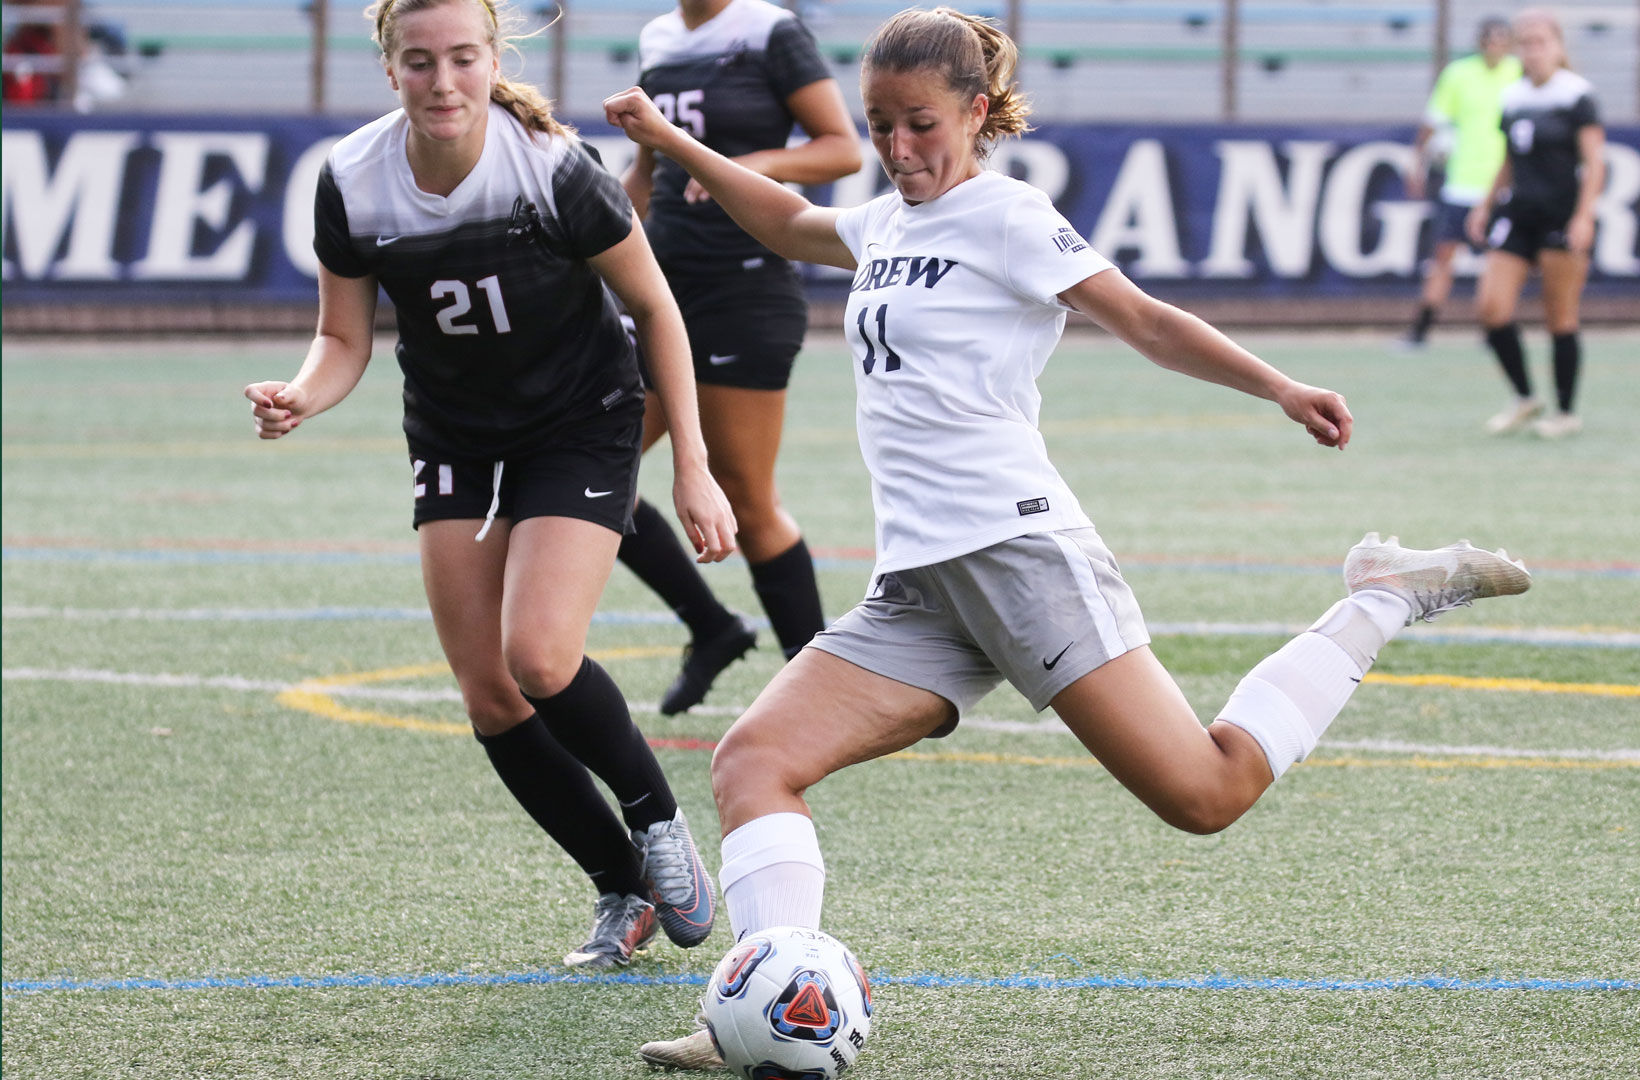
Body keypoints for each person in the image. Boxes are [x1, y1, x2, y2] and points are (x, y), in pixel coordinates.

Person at [604, 8, 1532, 1067]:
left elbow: (1143, 319)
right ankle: (762, 1004)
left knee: (1206, 793)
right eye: (880, 125)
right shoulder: (885, 224)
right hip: (919, 584)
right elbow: (786, 220)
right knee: (754, 762)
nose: (898, 148)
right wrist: (672, 144)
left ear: (978, 113)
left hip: (1017, 555)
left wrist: (1278, 386)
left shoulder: (1006, 214)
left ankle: (1381, 595)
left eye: (920, 124)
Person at [243, 0, 733, 970]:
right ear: (389, 67)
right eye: (420, 62)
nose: (443, 82)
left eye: (463, 59)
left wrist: (692, 464)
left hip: (580, 422)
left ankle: (657, 821)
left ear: (493, 58)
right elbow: (342, 337)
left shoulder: (550, 168)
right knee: (491, 697)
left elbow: (655, 306)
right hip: (457, 438)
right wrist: (302, 394)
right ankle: (621, 888)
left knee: (539, 657)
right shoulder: (352, 178)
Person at [614, 0, 863, 715]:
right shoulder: (658, 37)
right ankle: (713, 626)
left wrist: (752, 164)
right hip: (661, 291)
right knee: (591, 474)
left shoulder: (770, 30)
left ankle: (825, 695)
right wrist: (587, 237)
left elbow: (842, 149)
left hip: (744, 289)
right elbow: (648, 169)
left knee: (747, 501)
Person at [1467, 8, 1605, 438]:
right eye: (1524, 44)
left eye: (1540, 42)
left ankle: (1565, 412)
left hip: (1560, 214)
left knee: (1559, 316)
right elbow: (1509, 160)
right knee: (1491, 308)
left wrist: (1584, 215)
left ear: (1558, 46)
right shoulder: (1513, 96)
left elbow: (1594, 163)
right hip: (1518, 214)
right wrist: (1485, 205)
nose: (1532, 51)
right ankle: (1525, 397)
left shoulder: (1576, 95)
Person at [1401, 17, 1519, 349]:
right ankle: (1421, 329)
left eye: (1502, 40)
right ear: (1480, 42)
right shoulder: (1458, 74)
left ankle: (1494, 330)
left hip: (1502, 185)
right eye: (1490, 39)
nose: (1495, 46)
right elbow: (1433, 122)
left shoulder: (1519, 73)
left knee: (1499, 262)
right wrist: (1416, 163)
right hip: (1462, 182)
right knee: (1443, 256)